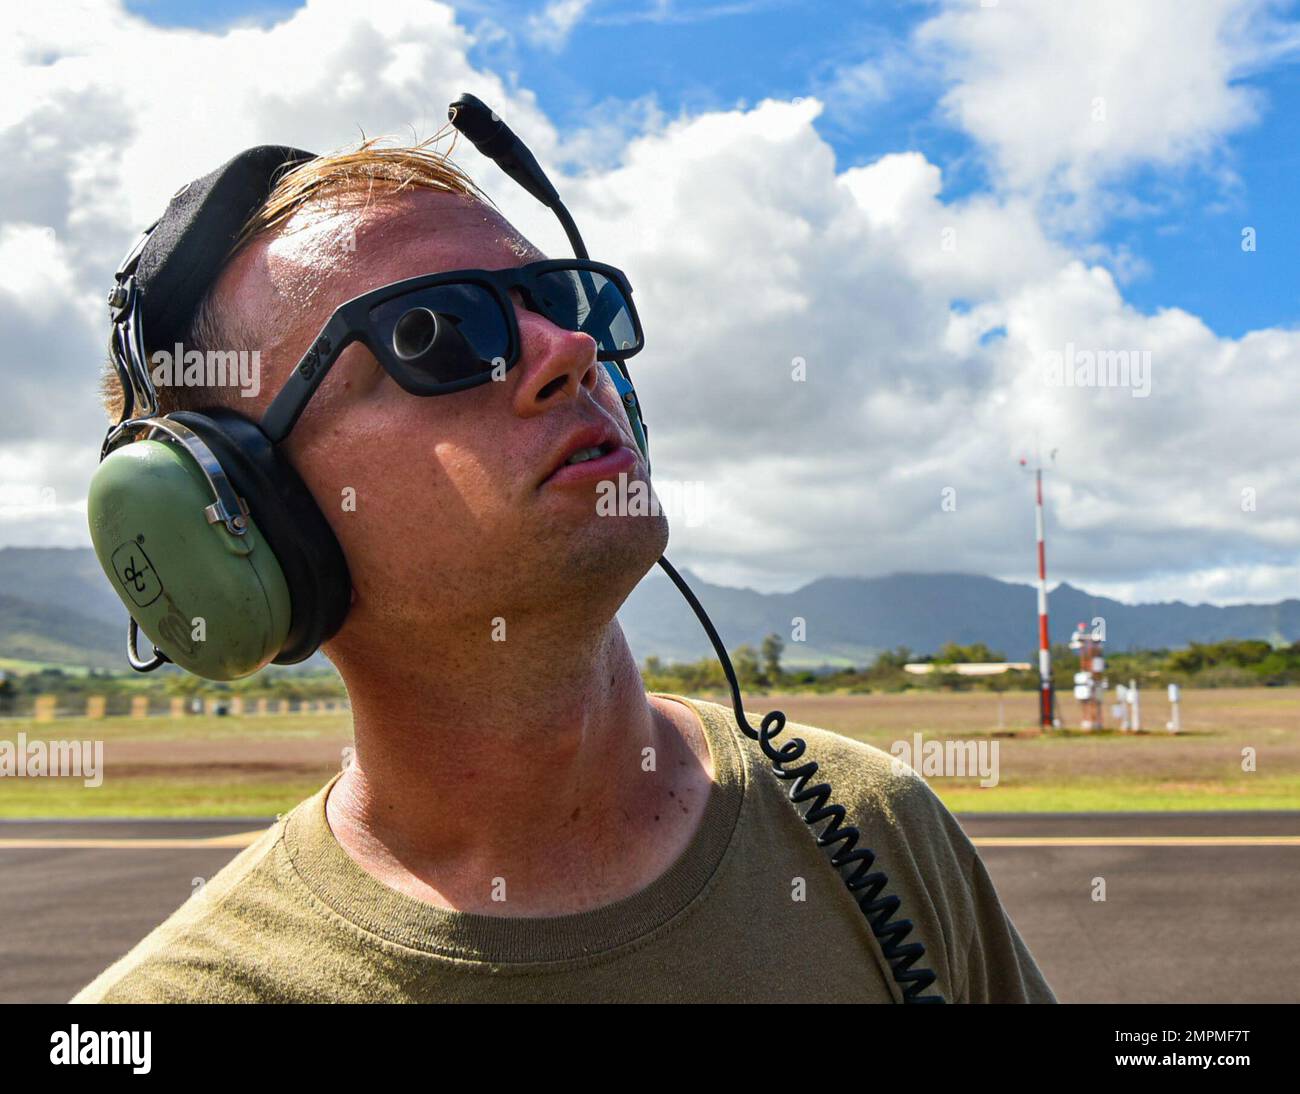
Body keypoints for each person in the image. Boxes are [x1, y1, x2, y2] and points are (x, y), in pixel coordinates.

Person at [74, 138, 1056, 1004]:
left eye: (562, 301)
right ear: (244, 516)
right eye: (437, 333)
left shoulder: (871, 822)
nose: (572, 350)